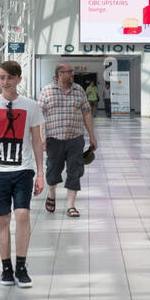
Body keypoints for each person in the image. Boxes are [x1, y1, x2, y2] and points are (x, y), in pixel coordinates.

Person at [0, 60, 45, 288]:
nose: (6, 82)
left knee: (22, 215)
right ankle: (6, 267)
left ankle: (22, 265)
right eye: (2, 77)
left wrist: (40, 173)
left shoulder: (31, 106)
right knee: (2, 218)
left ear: (19, 79)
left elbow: (37, 140)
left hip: (23, 169)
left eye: (10, 77)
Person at [39, 61, 97, 219]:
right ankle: (51, 194)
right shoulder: (47, 91)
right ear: (60, 74)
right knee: (52, 170)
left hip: (75, 138)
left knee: (75, 171)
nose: (73, 74)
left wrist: (92, 135)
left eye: (72, 71)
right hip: (54, 139)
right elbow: (39, 116)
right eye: (70, 71)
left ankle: (71, 205)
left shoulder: (79, 90)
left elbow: (86, 113)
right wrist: (41, 138)